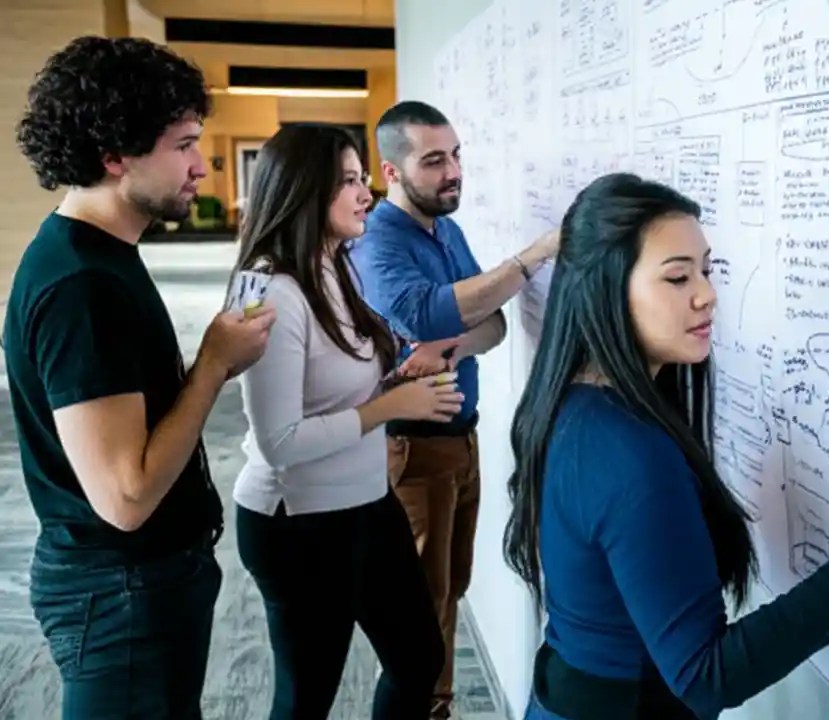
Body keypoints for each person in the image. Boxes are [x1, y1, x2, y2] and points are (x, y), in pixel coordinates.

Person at [503, 173, 829, 719]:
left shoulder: (573, 405)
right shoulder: (629, 453)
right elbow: (706, 676)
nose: (707, 294)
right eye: (678, 278)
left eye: (706, 271)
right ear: (606, 288)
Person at [2, 36, 275, 718]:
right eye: (184, 145)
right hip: (119, 592)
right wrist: (213, 365)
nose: (202, 168)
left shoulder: (102, 253)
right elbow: (125, 497)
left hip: (135, 585)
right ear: (115, 154)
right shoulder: (82, 285)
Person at [229, 124, 463, 719]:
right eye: (351, 182)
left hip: (365, 500)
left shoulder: (337, 264)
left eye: (364, 180)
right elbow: (279, 442)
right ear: (305, 190)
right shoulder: (268, 291)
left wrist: (394, 381)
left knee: (416, 657)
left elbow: (334, 392)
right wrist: (391, 409)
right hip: (299, 525)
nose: (367, 195)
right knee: (307, 697)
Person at [349, 100, 559, 718]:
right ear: (391, 171)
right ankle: (427, 707)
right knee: (422, 604)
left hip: (459, 441)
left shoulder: (447, 230)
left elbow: (489, 324)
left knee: (450, 591)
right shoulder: (377, 240)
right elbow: (422, 312)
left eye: (457, 155)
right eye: (434, 160)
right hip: (411, 446)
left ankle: (433, 703)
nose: (453, 172)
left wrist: (448, 338)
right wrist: (531, 256)